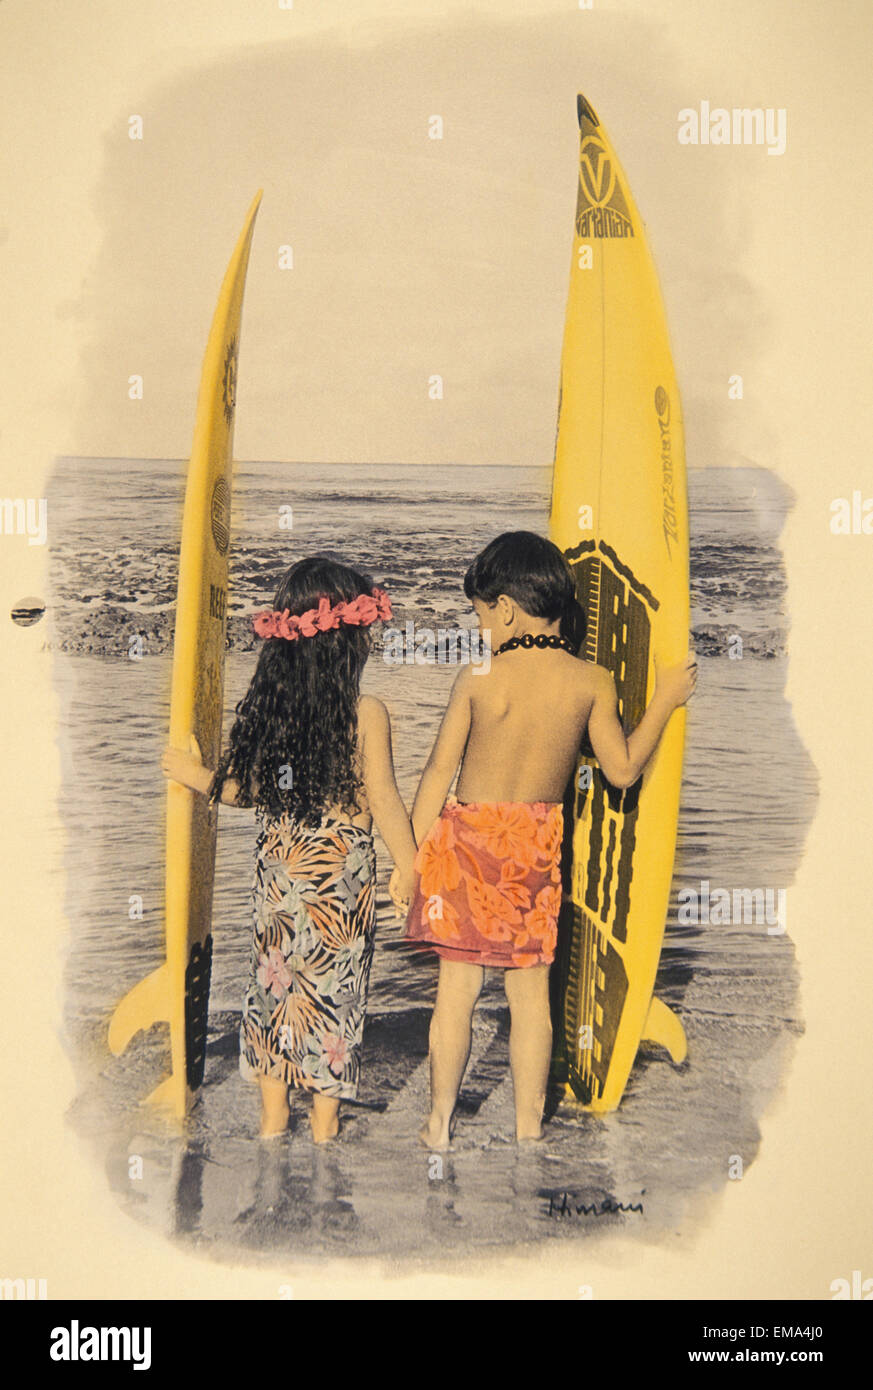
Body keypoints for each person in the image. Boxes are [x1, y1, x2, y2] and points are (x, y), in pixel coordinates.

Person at [394, 531, 696, 1148]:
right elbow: (622, 770)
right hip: (533, 847)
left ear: (504, 609)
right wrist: (665, 699)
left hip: (468, 842)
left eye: (481, 617)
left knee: (457, 992)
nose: (481, 632)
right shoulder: (591, 680)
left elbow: (435, 773)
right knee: (530, 995)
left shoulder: (479, 676)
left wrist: (409, 859)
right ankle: (529, 1128)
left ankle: (439, 1125)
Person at [162, 556, 418, 1143]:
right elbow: (383, 797)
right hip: (340, 884)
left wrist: (192, 773)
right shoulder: (365, 713)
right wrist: (412, 869)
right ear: (345, 644)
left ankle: (273, 1121)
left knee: (275, 987)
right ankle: (325, 1125)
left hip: (280, 879)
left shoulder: (277, 717)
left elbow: (244, 792)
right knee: (335, 994)